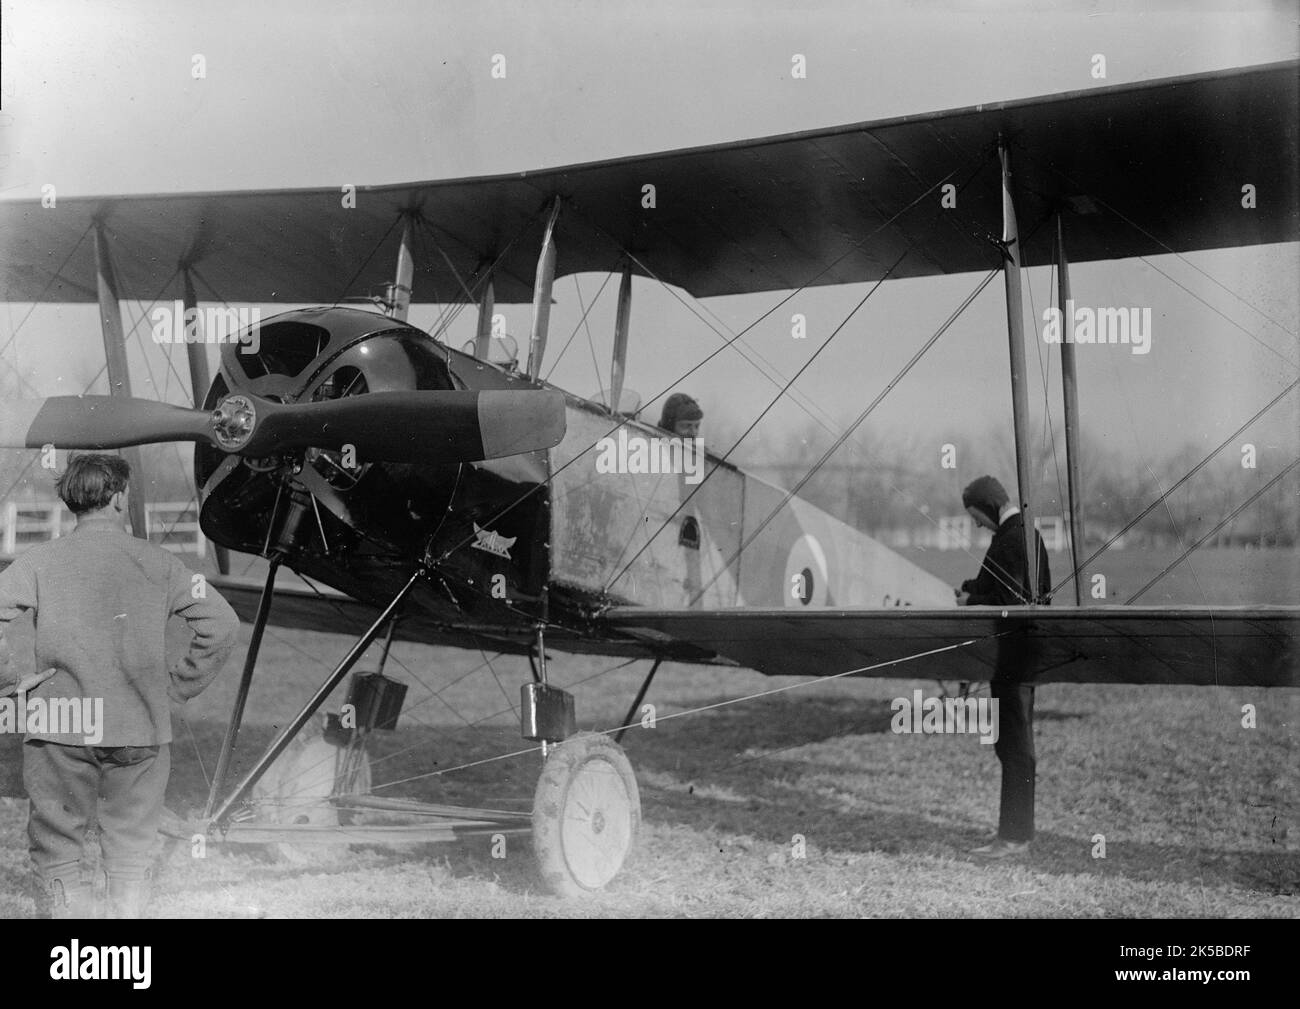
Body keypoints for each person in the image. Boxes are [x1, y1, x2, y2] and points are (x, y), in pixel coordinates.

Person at [0, 454, 240, 918]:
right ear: (118, 498)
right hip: (139, 726)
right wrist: (176, 687)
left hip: (57, 723)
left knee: (57, 846)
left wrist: (9, 682)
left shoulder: (38, 561)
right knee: (130, 850)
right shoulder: (162, 564)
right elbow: (222, 625)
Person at [955, 475, 1051, 859]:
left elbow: (1008, 599)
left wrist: (969, 602)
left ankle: (1013, 838)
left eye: (978, 517)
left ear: (990, 508)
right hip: (1021, 654)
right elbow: (1005, 588)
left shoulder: (1012, 538)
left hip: (1013, 655)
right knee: (1011, 744)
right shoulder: (1021, 534)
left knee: (1014, 746)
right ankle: (1016, 834)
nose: (977, 525)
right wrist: (973, 591)